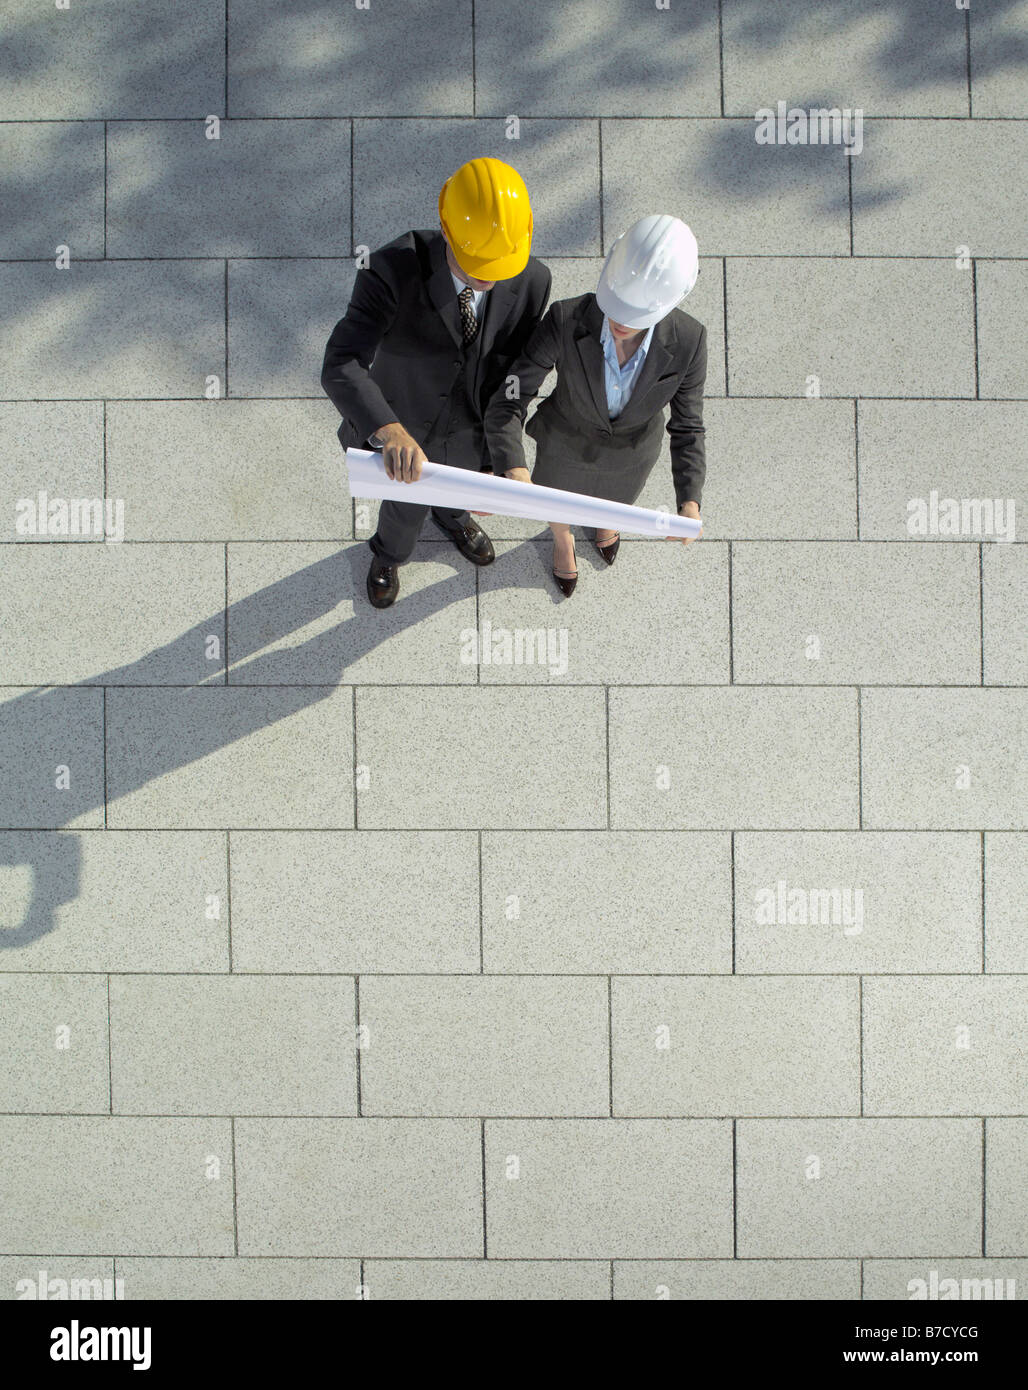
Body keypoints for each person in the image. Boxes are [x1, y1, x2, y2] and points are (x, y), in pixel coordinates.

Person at [321, 157, 552, 608]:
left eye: (497, 268)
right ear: (445, 228)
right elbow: (341, 362)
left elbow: (514, 377)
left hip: (472, 433)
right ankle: (387, 557)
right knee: (402, 516)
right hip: (405, 429)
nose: (487, 278)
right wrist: (388, 430)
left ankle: (453, 517)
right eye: (475, 265)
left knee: (459, 494)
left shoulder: (531, 279)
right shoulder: (389, 270)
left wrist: (502, 458)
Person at [483, 215, 706, 596]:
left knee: (614, 503)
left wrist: (690, 499)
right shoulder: (565, 319)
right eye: (616, 305)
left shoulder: (690, 341)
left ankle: (605, 520)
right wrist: (512, 463)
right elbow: (511, 392)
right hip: (564, 445)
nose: (619, 320)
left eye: (635, 314)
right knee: (557, 501)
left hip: (632, 457)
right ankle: (563, 537)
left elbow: (688, 426)